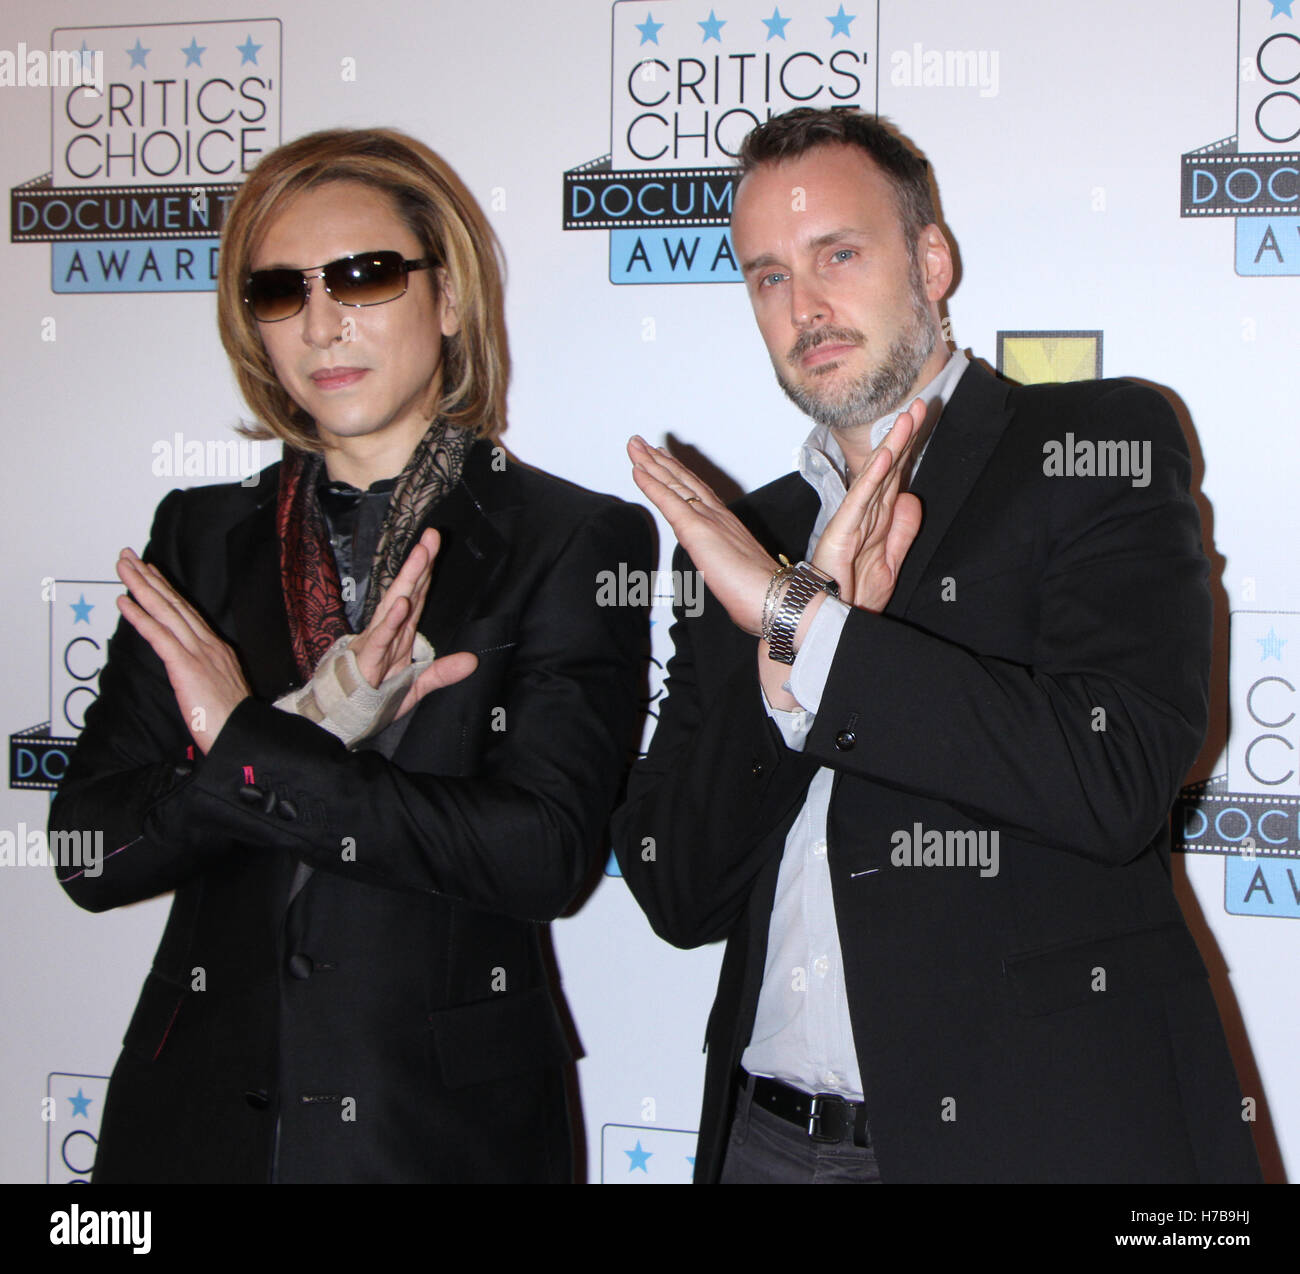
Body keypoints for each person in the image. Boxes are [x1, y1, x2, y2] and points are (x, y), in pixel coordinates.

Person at [614, 107, 1261, 1184]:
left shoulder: (1089, 447)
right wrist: (783, 670)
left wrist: (808, 631)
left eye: (838, 253)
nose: (803, 305)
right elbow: (678, 891)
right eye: (767, 275)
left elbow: (1117, 777)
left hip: (1034, 1137)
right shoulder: (742, 538)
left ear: (931, 256)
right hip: (764, 1143)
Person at [51, 127, 651, 1184]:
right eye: (281, 291)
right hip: (192, 1128)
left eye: (365, 276)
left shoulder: (571, 539)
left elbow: (544, 851)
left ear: (450, 297)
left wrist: (257, 745)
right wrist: (304, 728)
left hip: (439, 1134)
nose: (323, 322)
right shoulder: (196, 533)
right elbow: (89, 850)